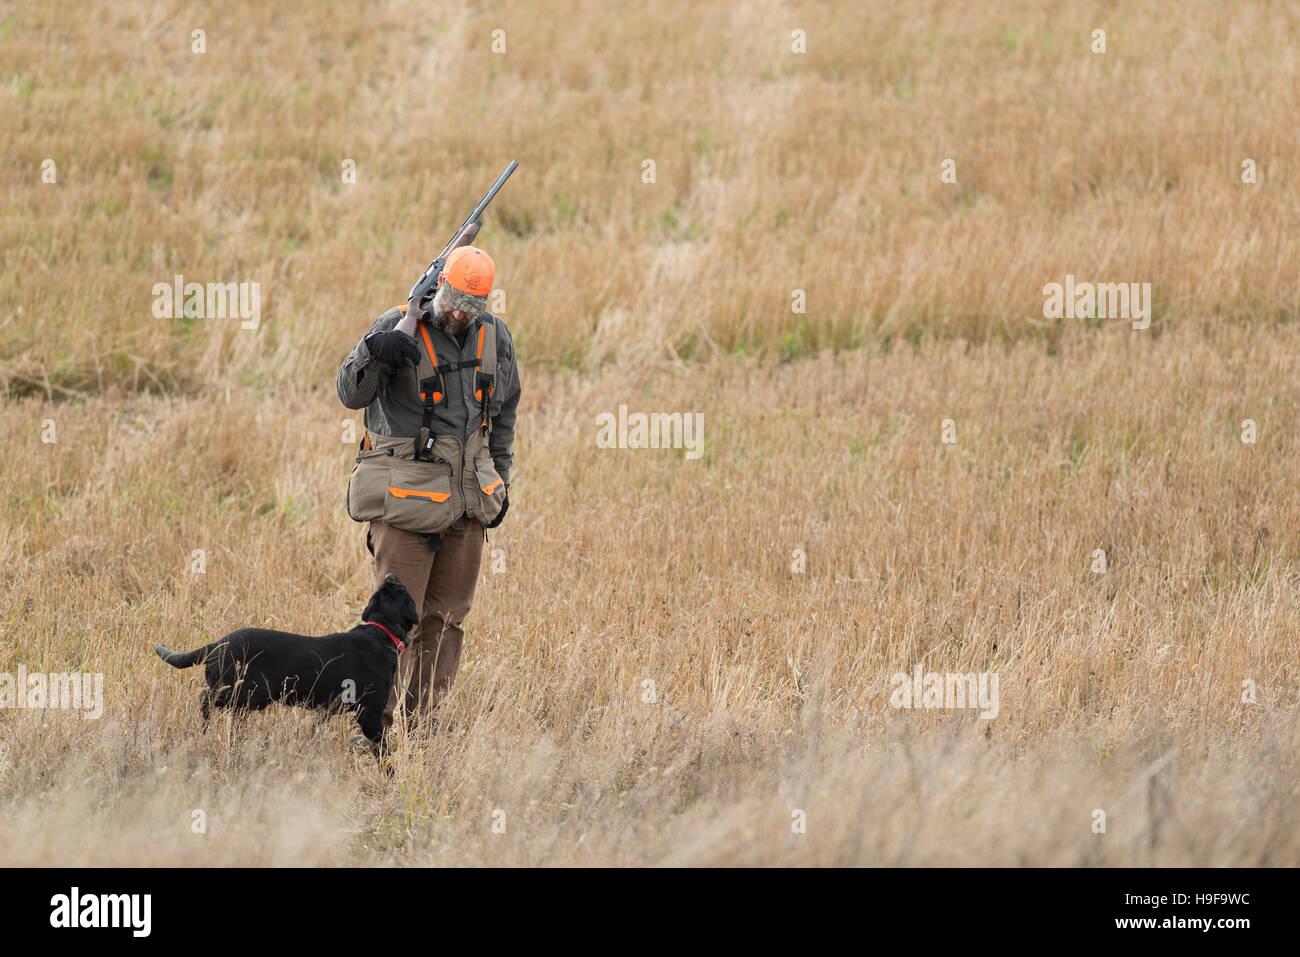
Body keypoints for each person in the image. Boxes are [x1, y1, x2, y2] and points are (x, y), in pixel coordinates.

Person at [336, 245, 520, 733]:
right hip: (405, 508)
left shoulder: (495, 336)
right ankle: (374, 730)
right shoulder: (396, 325)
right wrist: (373, 352)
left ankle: (425, 731)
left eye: (471, 307)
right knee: (391, 627)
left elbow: (502, 418)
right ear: (437, 287)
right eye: (454, 301)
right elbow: (349, 393)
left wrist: (501, 478)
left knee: (447, 622)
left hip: (468, 505)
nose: (459, 313)